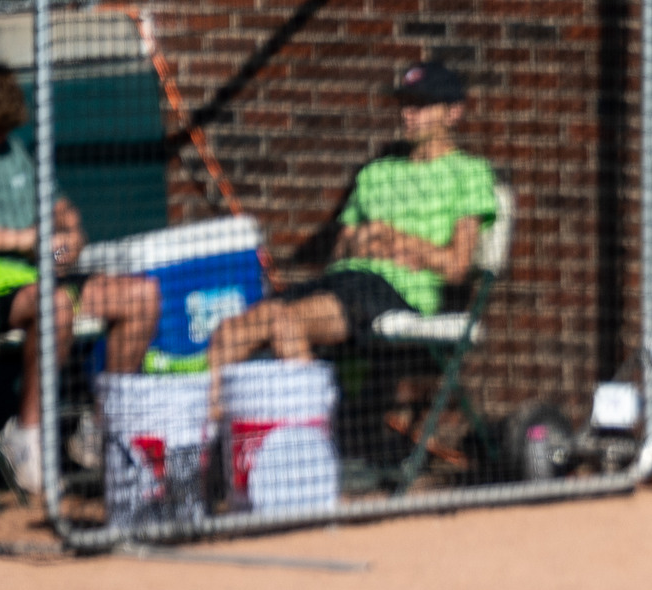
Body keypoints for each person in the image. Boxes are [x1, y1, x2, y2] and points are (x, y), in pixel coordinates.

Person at [0, 61, 162, 496]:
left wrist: (63, 247)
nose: (0, 139)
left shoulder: (16, 154)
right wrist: (23, 239)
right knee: (56, 304)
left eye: (7, 131)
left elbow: (66, 226)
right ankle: (26, 436)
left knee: (142, 296)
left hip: (38, 276)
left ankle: (98, 429)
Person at [203, 59, 499, 379]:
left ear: (453, 113)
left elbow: (457, 266)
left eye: (420, 105)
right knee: (232, 330)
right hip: (343, 280)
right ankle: (204, 426)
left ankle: (309, 427)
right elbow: (342, 249)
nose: (407, 114)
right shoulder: (376, 172)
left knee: (283, 321)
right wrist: (364, 243)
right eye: (405, 105)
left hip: (398, 292)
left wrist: (392, 239)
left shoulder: (468, 173)